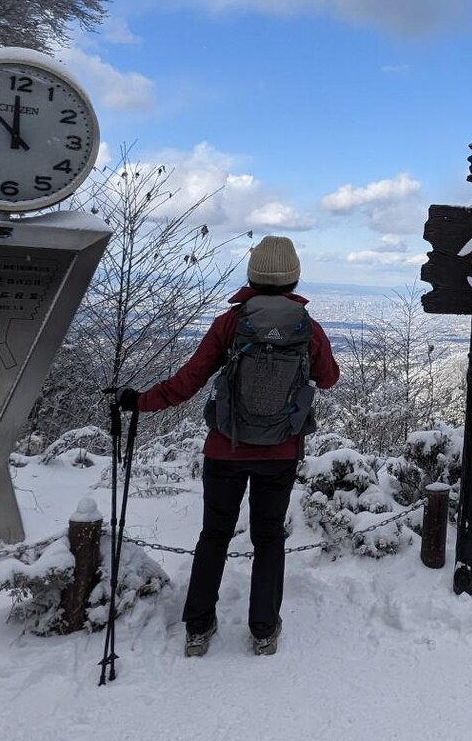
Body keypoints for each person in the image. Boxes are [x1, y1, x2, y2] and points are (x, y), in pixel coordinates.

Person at [116, 234, 338, 657]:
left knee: (214, 535)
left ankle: (198, 628)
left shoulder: (231, 323)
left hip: (225, 449)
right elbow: (328, 378)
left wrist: (140, 402)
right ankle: (263, 629)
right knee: (269, 537)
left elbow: (190, 379)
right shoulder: (307, 328)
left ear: (252, 274)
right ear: (293, 278)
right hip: (280, 452)